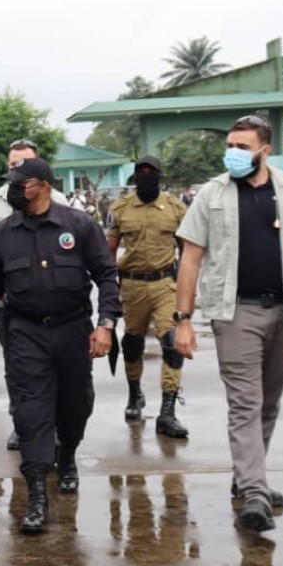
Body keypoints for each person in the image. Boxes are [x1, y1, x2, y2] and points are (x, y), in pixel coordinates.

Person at [173, 115, 283, 533]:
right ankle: (254, 493)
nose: (233, 152)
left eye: (243, 146)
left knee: (268, 403)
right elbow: (190, 258)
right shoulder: (211, 194)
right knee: (245, 403)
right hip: (236, 313)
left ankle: (248, 477)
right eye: (230, 144)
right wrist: (183, 319)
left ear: (265, 150)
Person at [0, 158, 120, 534]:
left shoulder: (79, 225)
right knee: (30, 412)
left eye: (21, 184)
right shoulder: (3, 234)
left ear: (44, 185)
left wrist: (106, 325)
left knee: (76, 405)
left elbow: (105, 274)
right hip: (25, 333)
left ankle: (67, 455)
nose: (13, 190)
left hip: (73, 331)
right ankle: (37, 493)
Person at [0, 139, 70, 451]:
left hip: (50, 305)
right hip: (5, 304)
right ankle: (22, 421)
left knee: (52, 364)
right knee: (18, 364)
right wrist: (1, 281)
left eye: (24, 165)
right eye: (12, 166)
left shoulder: (60, 201)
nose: (17, 171)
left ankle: (52, 423)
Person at [105, 156, 190, 438]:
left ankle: (167, 412)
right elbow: (109, 250)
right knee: (132, 343)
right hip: (132, 285)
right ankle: (134, 394)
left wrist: (188, 289)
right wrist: (108, 290)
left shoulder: (176, 208)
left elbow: (186, 252)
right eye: (141, 173)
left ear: (158, 176)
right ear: (134, 177)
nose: (146, 177)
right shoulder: (120, 209)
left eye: (151, 172)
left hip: (165, 283)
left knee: (171, 344)